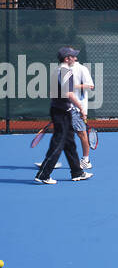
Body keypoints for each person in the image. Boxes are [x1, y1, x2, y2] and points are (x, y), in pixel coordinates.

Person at [34, 47, 92, 185]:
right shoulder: (66, 72)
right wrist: (80, 108)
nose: (76, 59)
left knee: (69, 143)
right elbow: (69, 94)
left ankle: (77, 172)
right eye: (73, 57)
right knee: (58, 143)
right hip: (62, 112)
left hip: (60, 110)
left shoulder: (57, 70)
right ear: (67, 59)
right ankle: (43, 175)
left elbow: (53, 93)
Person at [70, 50, 95, 171]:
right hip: (66, 107)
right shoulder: (62, 69)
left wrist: (73, 86)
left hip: (78, 108)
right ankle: (52, 159)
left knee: (81, 134)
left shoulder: (82, 69)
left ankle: (86, 160)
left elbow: (90, 86)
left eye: (71, 56)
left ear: (74, 58)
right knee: (61, 135)